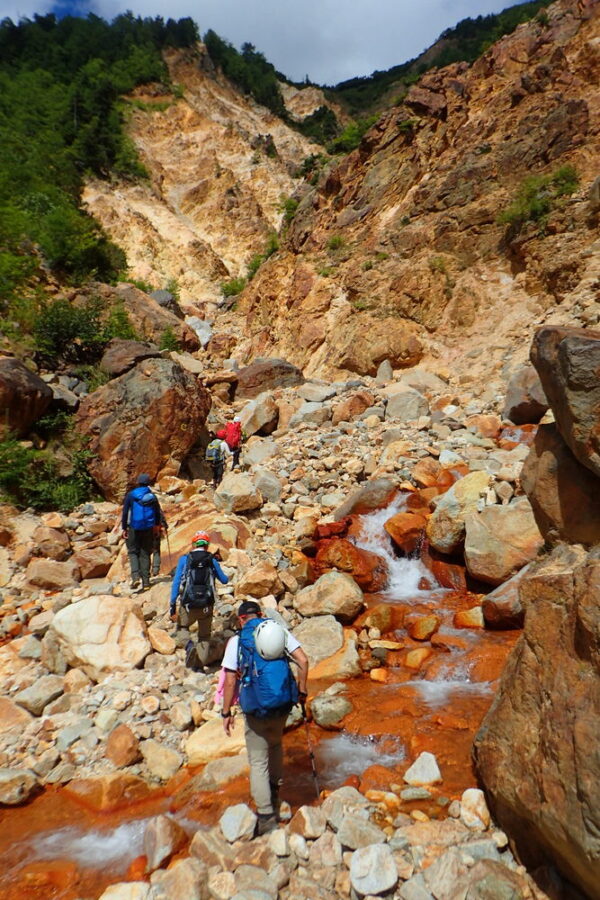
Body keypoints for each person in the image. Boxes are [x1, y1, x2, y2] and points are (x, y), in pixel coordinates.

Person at [221, 600, 309, 835]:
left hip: (256, 708)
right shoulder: (278, 631)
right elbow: (303, 660)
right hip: (282, 703)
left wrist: (226, 711)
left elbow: (230, 679)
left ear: (241, 620)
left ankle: (267, 816)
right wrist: (302, 691)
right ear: (261, 614)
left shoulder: (236, 641)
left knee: (259, 761)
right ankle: (275, 793)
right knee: (277, 744)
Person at [170, 531, 229, 669]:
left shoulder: (184, 559)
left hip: (188, 604)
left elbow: (176, 582)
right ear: (207, 545)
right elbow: (225, 580)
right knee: (204, 636)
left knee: (181, 628)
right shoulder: (211, 560)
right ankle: (199, 667)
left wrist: (172, 603)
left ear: (194, 543)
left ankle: (189, 646)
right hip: (207, 605)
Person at [122, 474, 167, 590]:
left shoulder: (131, 495)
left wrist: (124, 528)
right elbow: (157, 513)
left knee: (132, 552)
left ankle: (136, 577)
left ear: (138, 482)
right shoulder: (152, 496)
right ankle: (146, 583)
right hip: (148, 528)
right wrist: (156, 527)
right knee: (145, 553)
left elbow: (125, 513)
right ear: (148, 483)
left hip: (134, 527)